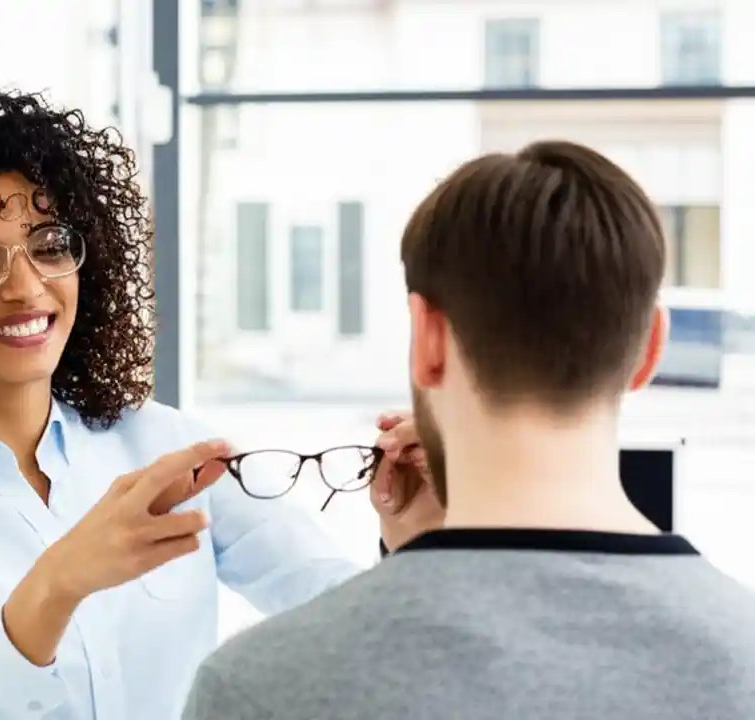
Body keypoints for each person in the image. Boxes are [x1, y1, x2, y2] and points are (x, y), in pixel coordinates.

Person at [0, 91, 435, 720]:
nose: (26, 287)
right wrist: (58, 583)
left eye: (48, 246)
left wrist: (409, 547)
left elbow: (349, 631)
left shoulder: (167, 448)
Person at [183, 140, 755, 720]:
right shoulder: (741, 657)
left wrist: (417, 574)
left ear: (428, 340)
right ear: (651, 349)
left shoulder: (258, 686)